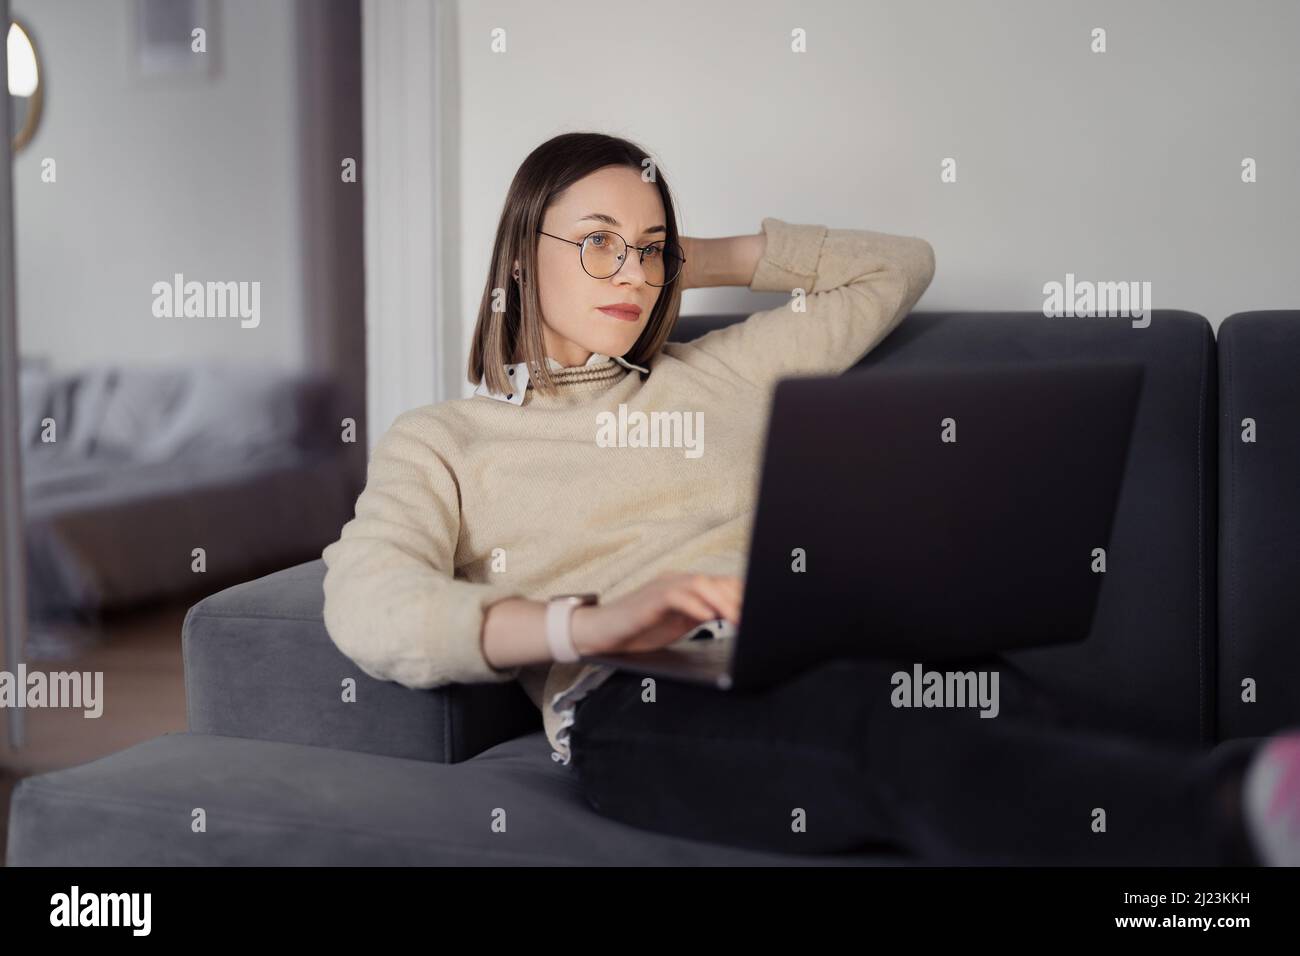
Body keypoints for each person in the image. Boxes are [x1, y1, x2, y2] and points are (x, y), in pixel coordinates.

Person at [320, 130, 1298, 866]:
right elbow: (371, 603)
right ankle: (1235, 816)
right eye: (598, 243)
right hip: (644, 690)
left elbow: (897, 264)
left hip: (843, 640)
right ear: (522, 251)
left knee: (1084, 731)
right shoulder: (446, 438)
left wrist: (686, 260)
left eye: (648, 247)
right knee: (891, 736)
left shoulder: (724, 368)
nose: (631, 270)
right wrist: (588, 621)